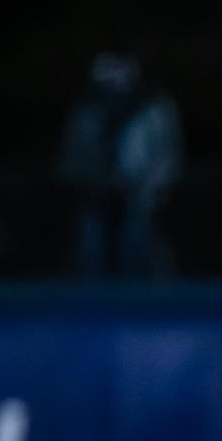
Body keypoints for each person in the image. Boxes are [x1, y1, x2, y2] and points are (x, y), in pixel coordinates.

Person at [57, 53, 184, 279]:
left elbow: (167, 156)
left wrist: (153, 189)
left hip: (140, 196)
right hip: (95, 196)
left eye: (117, 78)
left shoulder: (154, 111)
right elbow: (73, 156)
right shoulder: (86, 113)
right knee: (91, 251)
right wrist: (87, 187)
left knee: (137, 249)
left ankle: (152, 296)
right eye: (104, 81)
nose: (112, 87)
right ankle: (91, 297)